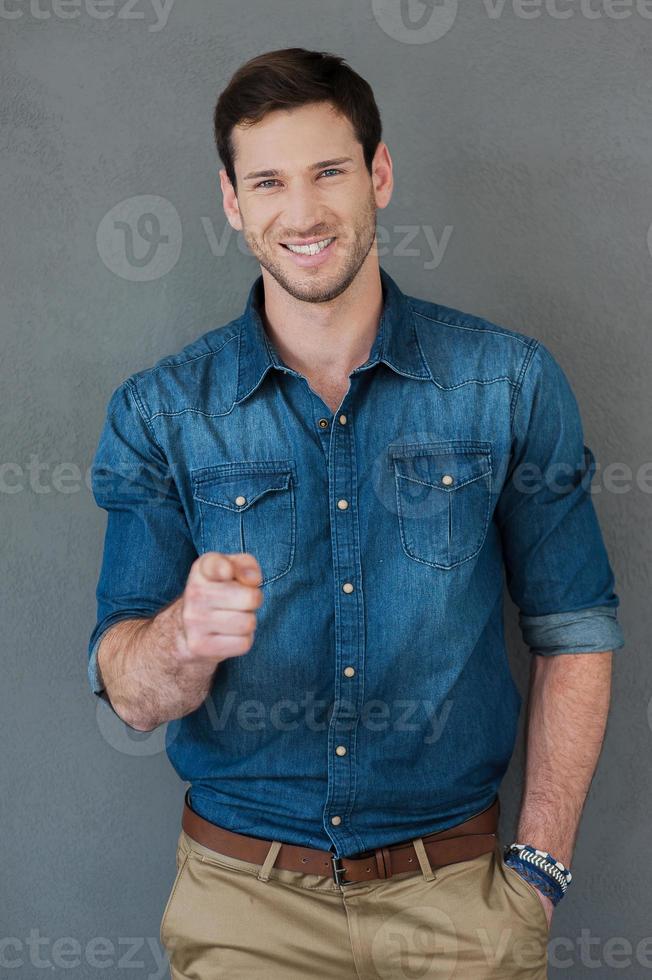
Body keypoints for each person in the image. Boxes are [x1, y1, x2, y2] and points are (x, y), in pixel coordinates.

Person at [87, 47, 625, 979]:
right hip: (242, 908)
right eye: (268, 181)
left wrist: (537, 873)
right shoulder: (160, 411)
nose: (301, 212)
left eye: (328, 171)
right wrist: (184, 637)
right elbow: (131, 692)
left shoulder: (507, 381)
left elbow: (574, 630)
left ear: (377, 174)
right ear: (232, 202)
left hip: (459, 906)